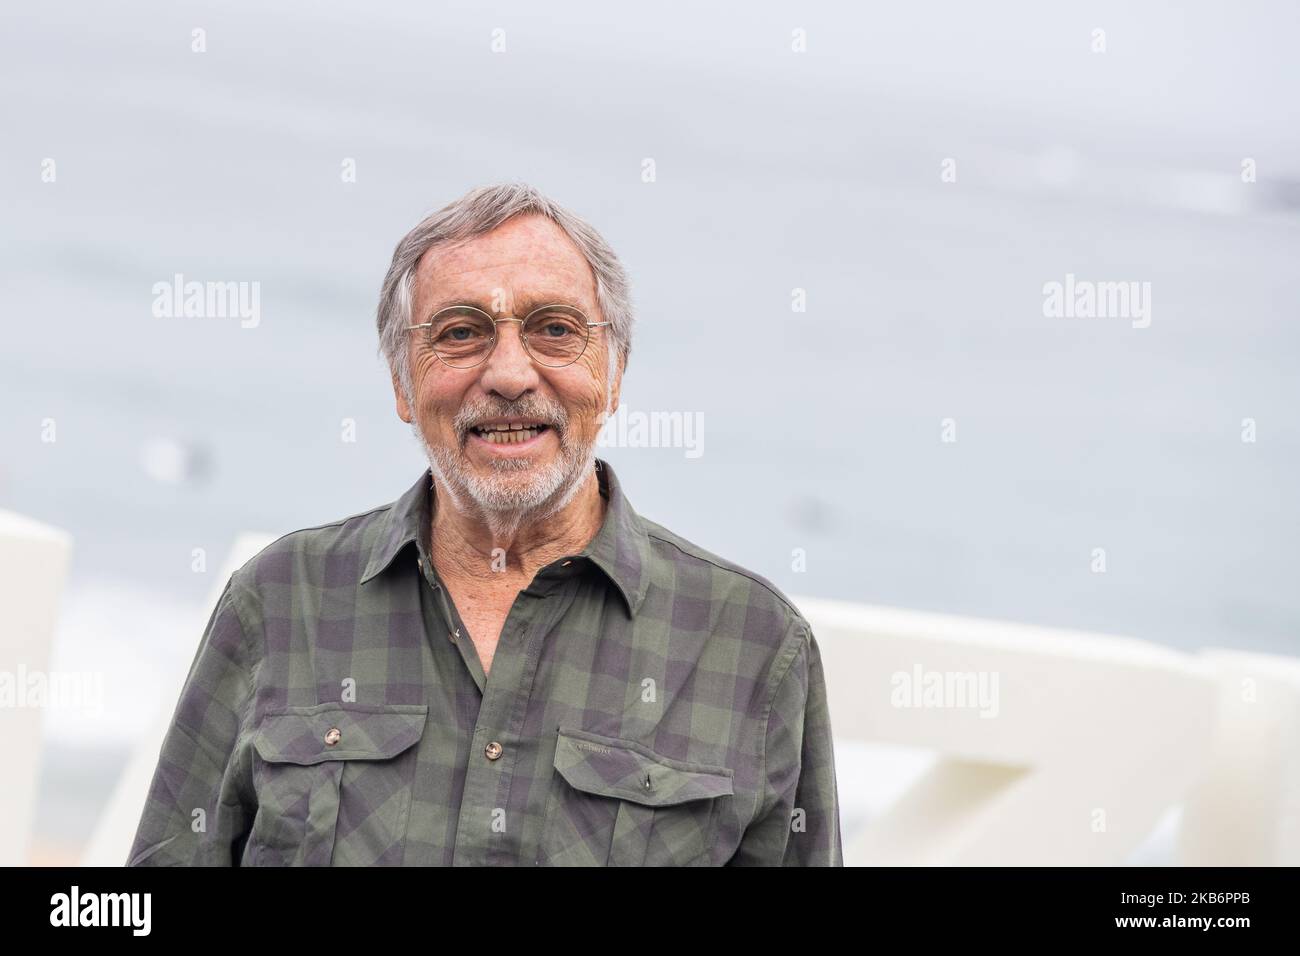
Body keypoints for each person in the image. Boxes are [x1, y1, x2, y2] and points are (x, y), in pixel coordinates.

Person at [126, 182, 842, 866]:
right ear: (403, 381)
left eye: (555, 330)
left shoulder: (755, 646)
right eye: (461, 331)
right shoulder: (282, 599)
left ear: (616, 373)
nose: (507, 374)